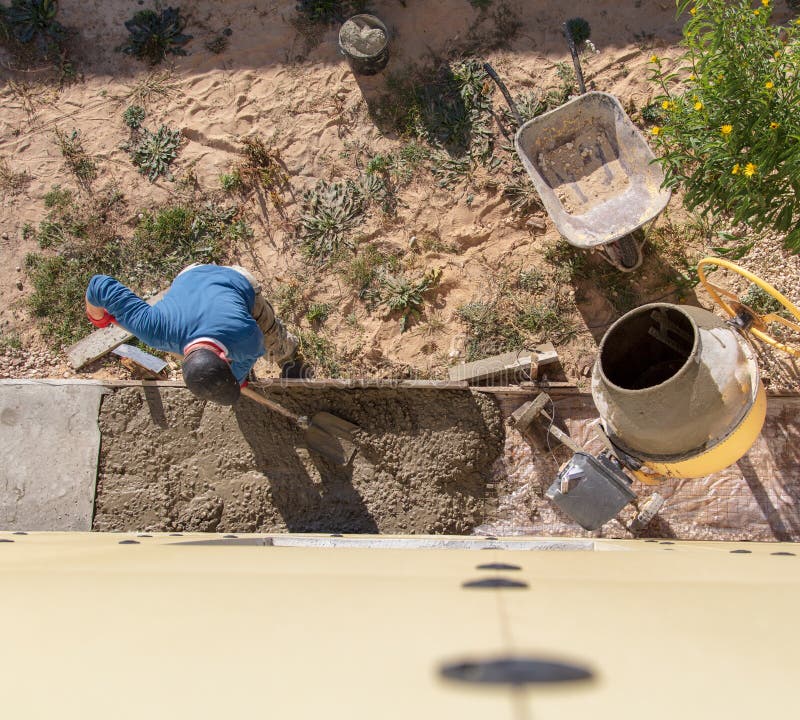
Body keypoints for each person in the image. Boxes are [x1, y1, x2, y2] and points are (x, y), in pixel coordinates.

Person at [85, 263, 310, 405]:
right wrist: (97, 314)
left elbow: (252, 354)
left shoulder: (246, 337)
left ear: (225, 357)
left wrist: (238, 379)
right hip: (190, 275)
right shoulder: (154, 329)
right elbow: (99, 287)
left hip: (236, 281)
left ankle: (290, 358)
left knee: (274, 342)